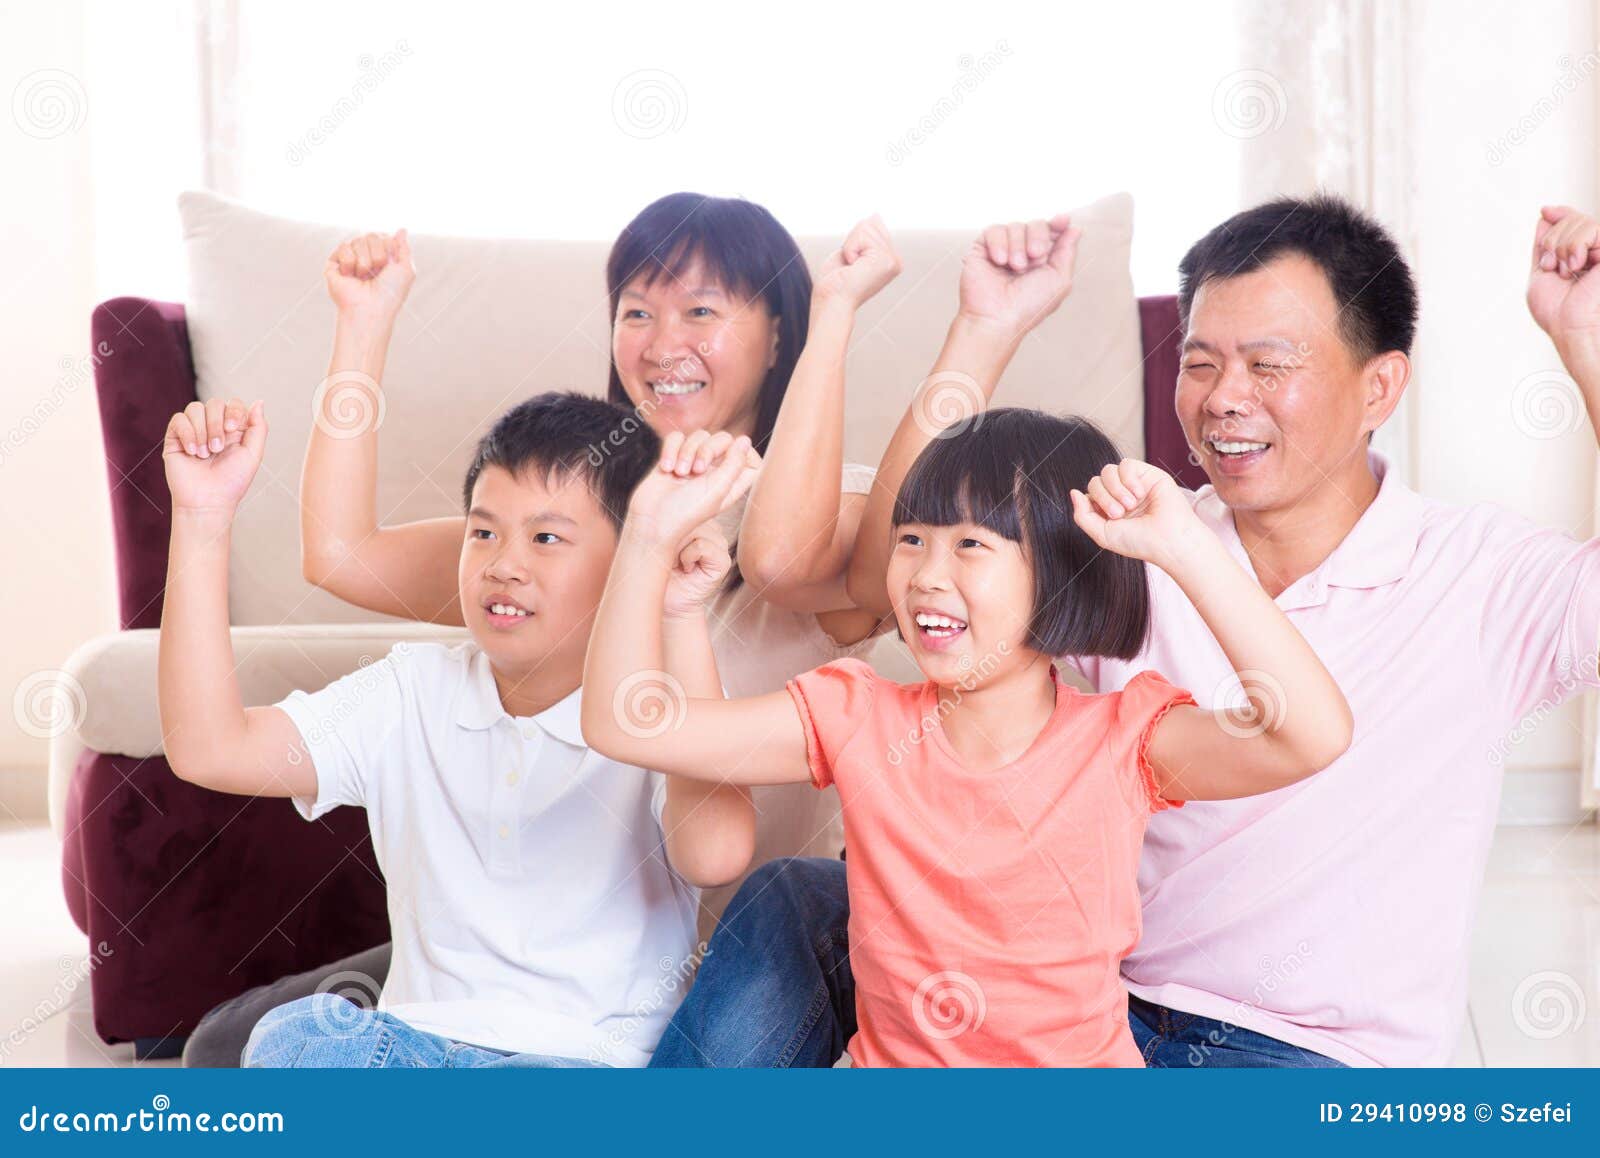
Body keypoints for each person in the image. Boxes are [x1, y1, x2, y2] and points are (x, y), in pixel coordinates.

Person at [653, 195, 1600, 1068]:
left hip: (1299, 1055)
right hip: (1089, 1002)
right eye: (1200, 362)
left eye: (1269, 366)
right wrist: (984, 332)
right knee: (798, 904)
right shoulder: (1132, 536)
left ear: (1379, 387)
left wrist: (1588, 345)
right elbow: (862, 566)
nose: (1225, 396)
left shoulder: (1481, 575)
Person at [179, 193, 917, 1065]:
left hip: (699, 967)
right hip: (525, 942)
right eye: (635, 312)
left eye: (701, 311)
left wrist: (838, 315)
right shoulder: (563, 513)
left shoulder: (821, 521)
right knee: (235, 1049)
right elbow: (343, 553)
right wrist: (363, 327)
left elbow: (782, 552)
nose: (661, 340)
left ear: (778, 335)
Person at [582, 409, 1352, 1066]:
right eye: (911, 539)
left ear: (1063, 571)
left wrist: (1187, 549)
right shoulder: (857, 716)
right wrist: (647, 539)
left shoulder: (1125, 741)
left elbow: (1309, 736)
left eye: (971, 545)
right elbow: (623, 720)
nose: (923, 573)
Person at [158, 391, 756, 1067]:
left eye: (546, 538)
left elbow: (716, 856)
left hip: (579, 1067)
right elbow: (211, 748)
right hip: (414, 1052)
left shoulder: (659, 709)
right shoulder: (409, 689)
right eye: (483, 532)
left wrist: (675, 611)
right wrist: (201, 518)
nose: (504, 564)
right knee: (296, 1037)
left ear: (630, 562)